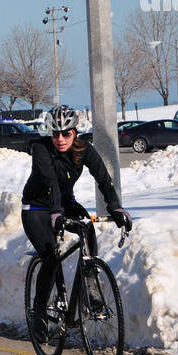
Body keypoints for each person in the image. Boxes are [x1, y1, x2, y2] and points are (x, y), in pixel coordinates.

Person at [21, 105, 132, 340]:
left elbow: (103, 177)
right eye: (55, 134)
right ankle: (39, 311)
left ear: (75, 133)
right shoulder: (41, 149)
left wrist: (116, 208)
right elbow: (50, 181)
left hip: (65, 203)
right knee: (50, 255)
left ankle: (91, 289)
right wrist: (56, 213)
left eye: (66, 134)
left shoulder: (84, 150)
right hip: (37, 208)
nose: (60, 139)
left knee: (86, 226)